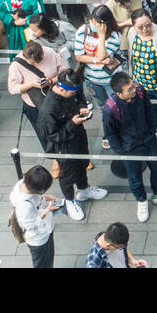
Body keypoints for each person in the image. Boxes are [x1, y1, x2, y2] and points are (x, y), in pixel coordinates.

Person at [102, 73, 157, 223]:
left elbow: (149, 110)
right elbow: (110, 134)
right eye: (129, 89)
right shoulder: (110, 109)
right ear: (119, 93)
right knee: (134, 177)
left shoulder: (140, 92)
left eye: (133, 85)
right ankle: (142, 200)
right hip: (130, 147)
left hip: (148, 139)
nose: (134, 89)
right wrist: (122, 152)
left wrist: (152, 129)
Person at [37, 67, 108, 221]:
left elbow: (79, 94)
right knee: (67, 174)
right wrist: (72, 123)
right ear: (62, 89)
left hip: (78, 136)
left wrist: (82, 106)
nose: (74, 94)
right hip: (64, 146)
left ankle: (83, 189)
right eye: (72, 92)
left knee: (82, 162)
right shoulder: (48, 109)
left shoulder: (71, 91)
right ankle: (69, 200)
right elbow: (52, 136)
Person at [9, 165, 61, 269]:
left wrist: (45, 197)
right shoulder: (24, 206)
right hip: (38, 239)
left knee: (49, 259)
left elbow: (36, 198)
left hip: (46, 230)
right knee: (42, 264)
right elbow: (29, 225)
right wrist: (45, 211)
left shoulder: (23, 183)